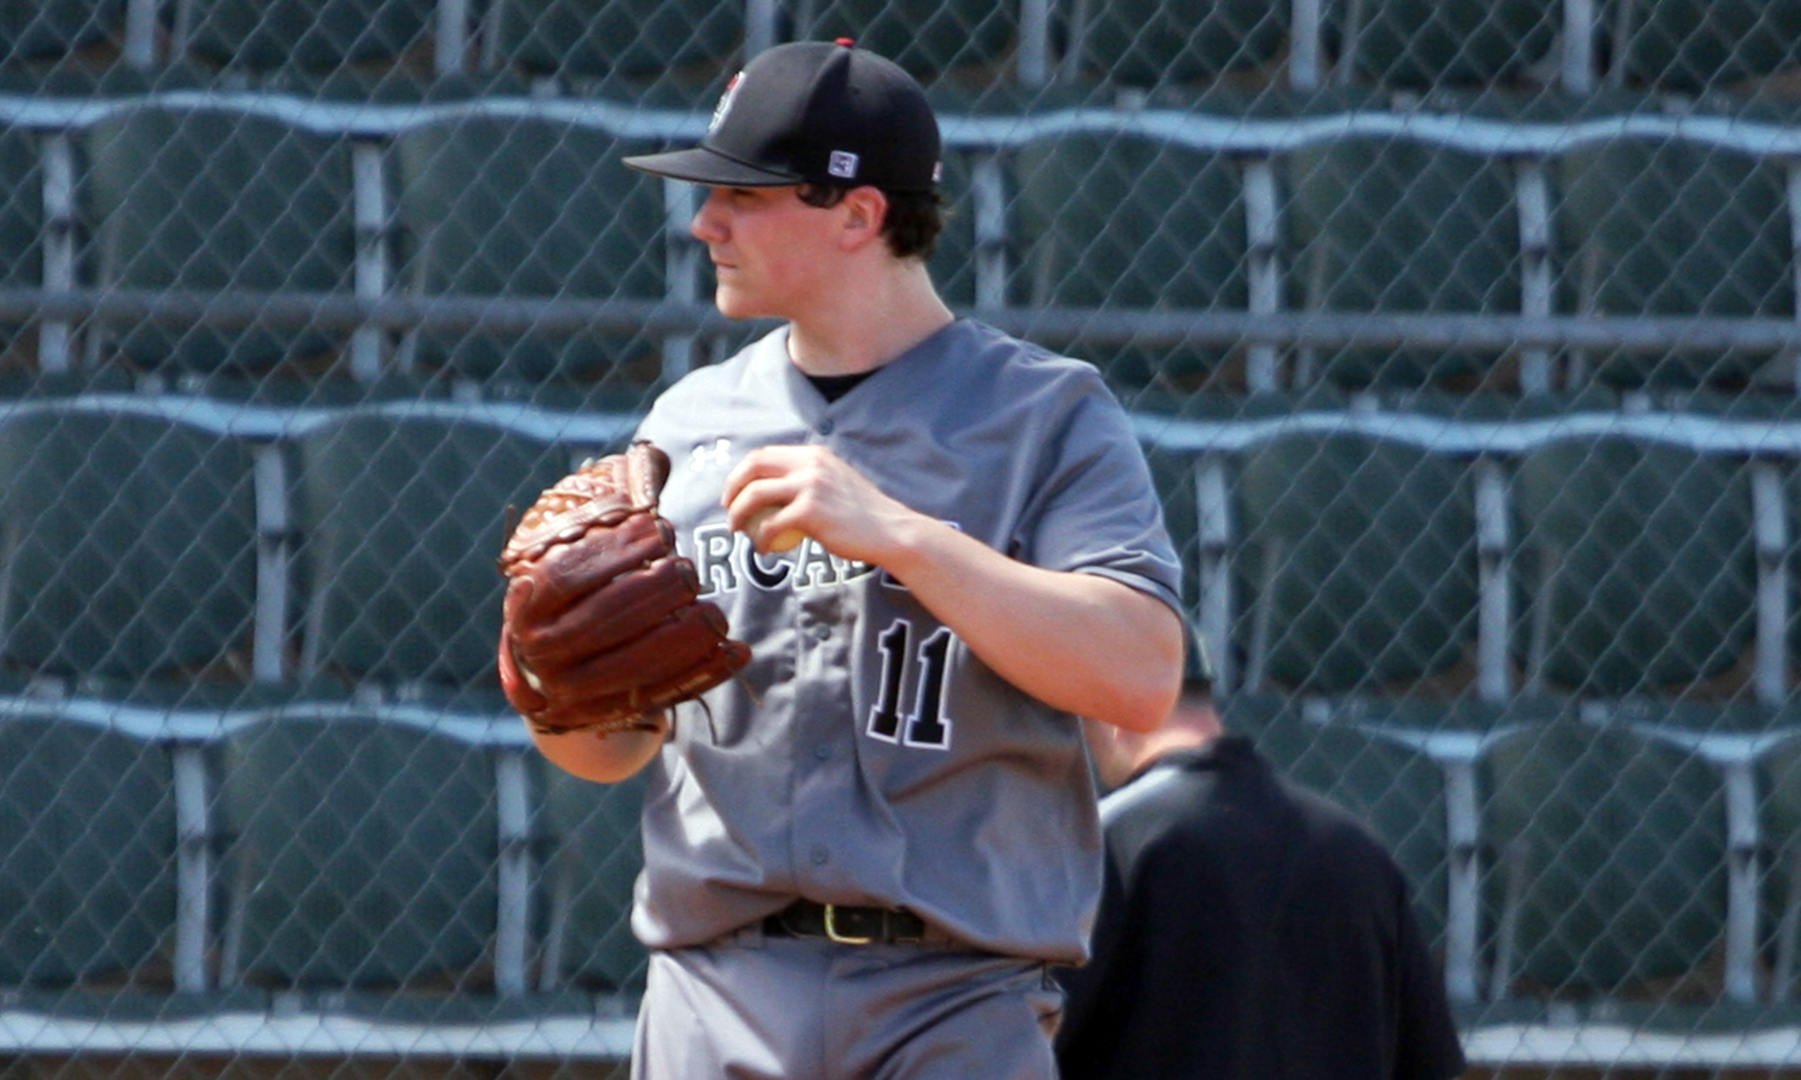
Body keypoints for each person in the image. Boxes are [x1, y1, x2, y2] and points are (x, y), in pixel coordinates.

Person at [529, 38, 1188, 1080]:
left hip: (955, 1002)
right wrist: (552, 687)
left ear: (857, 215)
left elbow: (1140, 676)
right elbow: (609, 755)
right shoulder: (687, 422)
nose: (707, 222)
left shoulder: (1046, 415)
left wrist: (904, 536)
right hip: (715, 993)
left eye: (745, 197)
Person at [1055, 629, 1467, 1080]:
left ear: (1110, 705)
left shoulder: (1108, 839)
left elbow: (1022, 1039)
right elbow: (1428, 1062)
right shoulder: (1355, 847)